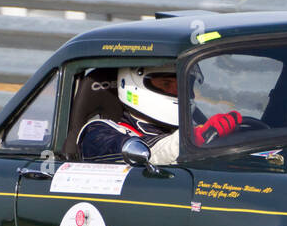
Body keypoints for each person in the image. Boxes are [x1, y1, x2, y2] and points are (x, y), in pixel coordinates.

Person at [76, 66, 244, 163]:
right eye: (166, 84)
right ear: (132, 84)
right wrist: (191, 139)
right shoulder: (98, 133)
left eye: (183, 84)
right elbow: (149, 151)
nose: (177, 91)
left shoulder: (196, 130)